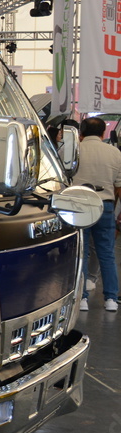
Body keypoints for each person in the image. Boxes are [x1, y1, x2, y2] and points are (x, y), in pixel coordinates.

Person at [72, 117, 121, 311]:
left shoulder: (73, 150)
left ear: (81, 133)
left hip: (77, 205)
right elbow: (119, 186)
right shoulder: (115, 153)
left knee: (81, 253)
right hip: (105, 205)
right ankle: (111, 299)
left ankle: (82, 299)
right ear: (103, 133)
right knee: (107, 254)